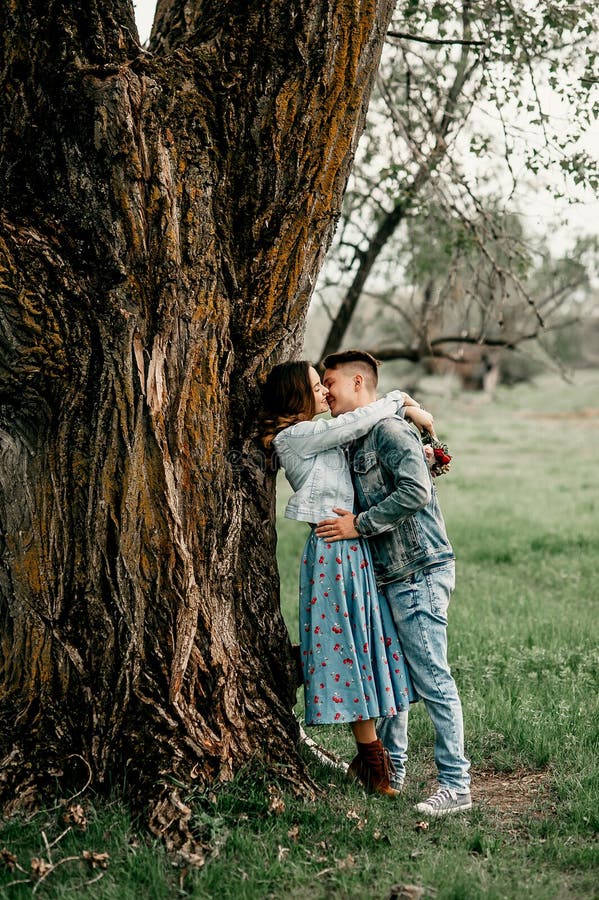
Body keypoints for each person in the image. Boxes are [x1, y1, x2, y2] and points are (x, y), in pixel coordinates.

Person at [260, 361, 434, 797]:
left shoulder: (317, 434)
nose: (324, 393)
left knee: (366, 645)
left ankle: (371, 761)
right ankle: (376, 765)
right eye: (316, 386)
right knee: (347, 649)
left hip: (354, 548)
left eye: (325, 384)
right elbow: (357, 420)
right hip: (333, 552)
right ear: (296, 395)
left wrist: (414, 425)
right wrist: (402, 400)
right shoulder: (294, 437)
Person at [316, 350, 471, 818]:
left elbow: (416, 490)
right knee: (397, 679)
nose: (325, 391)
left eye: (330, 383)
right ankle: (394, 767)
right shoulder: (359, 432)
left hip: (418, 570)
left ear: (358, 382)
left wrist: (359, 525)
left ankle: (456, 785)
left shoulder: (388, 430)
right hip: (388, 574)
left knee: (432, 679)